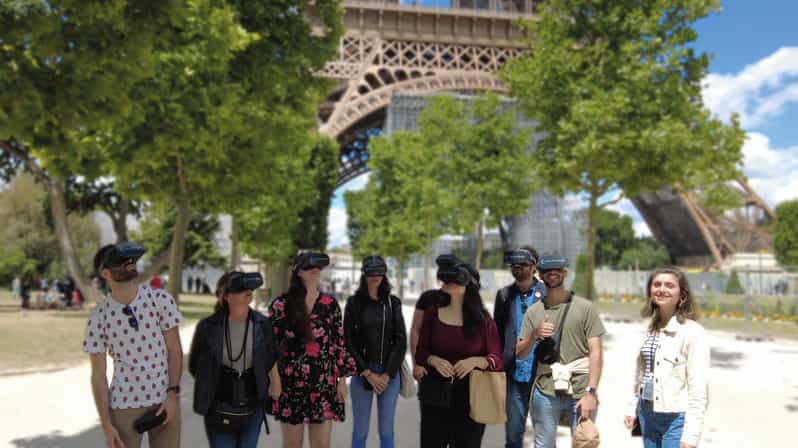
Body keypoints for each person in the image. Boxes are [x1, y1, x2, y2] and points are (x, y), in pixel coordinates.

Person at [83, 242, 183, 448]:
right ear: (105, 273)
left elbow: (174, 350)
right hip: (123, 405)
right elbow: (98, 375)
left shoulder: (160, 300)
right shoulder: (98, 318)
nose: (129, 263)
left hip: (164, 400)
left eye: (132, 259)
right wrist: (106, 425)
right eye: (121, 261)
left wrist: (172, 394)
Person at [516, 253, 605, 448]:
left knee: (585, 443)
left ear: (565, 273)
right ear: (539, 274)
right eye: (547, 270)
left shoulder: (585, 308)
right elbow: (520, 353)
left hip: (581, 391)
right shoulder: (533, 312)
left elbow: (596, 353)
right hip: (545, 391)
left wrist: (591, 392)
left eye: (557, 269)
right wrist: (534, 335)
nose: (552, 273)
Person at [268, 252, 357, 448]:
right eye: (309, 267)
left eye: (319, 267)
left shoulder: (330, 305)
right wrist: (274, 380)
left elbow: (338, 343)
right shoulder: (281, 305)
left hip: (324, 385)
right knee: (292, 444)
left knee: (322, 445)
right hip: (290, 386)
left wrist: (342, 381)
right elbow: (270, 346)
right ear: (298, 271)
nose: (315, 270)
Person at [415, 262, 503, 448]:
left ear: (468, 284)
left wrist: (477, 360)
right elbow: (421, 351)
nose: (448, 282)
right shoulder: (432, 314)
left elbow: (497, 358)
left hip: (472, 397)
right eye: (446, 279)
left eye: (454, 279)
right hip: (435, 396)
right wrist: (433, 359)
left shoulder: (483, 320)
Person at [189, 271, 280, 448]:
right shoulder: (207, 327)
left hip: (253, 403)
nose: (247, 291)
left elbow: (270, 357)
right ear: (226, 296)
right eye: (240, 288)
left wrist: (275, 381)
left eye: (249, 288)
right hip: (219, 404)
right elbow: (195, 366)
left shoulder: (263, 324)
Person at [623, 267, 709, 448]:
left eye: (669, 285)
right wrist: (633, 408)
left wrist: (691, 435)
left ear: (682, 294)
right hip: (647, 413)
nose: (662, 289)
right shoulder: (647, 328)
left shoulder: (693, 332)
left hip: (675, 417)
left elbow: (698, 388)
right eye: (657, 284)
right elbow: (640, 375)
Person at [344, 256, 408, 448]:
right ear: (364, 274)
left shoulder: (393, 302)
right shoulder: (354, 303)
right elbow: (348, 341)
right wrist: (367, 373)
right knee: (360, 430)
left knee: (386, 431)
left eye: (379, 272)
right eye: (371, 272)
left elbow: (400, 340)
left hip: (389, 373)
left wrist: (387, 374)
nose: (375, 276)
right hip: (363, 371)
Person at [493, 247, 546, 448]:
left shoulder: (547, 293)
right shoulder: (504, 295)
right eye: (514, 265)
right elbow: (497, 332)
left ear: (533, 267)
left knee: (544, 436)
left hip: (541, 374)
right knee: (514, 436)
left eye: (523, 265)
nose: (518, 269)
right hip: (514, 375)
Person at [410, 254, 460, 382]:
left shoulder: (466, 300)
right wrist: (417, 363)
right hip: (429, 366)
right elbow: (416, 330)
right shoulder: (428, 297)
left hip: (459, 370)